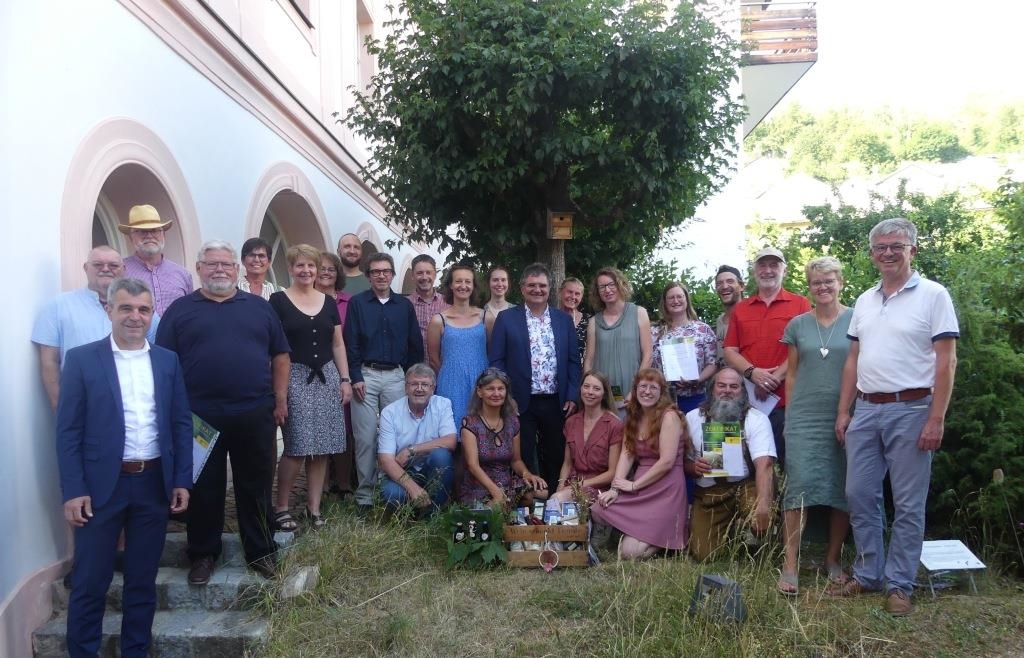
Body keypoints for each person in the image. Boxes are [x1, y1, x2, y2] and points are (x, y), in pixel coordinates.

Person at [830, 218, 959, 617]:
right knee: (859, 494)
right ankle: (869, 574)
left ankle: (900, 584)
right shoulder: (865, 301)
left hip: (913, 408)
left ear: (912, 250)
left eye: (896, 246)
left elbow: (947, 360)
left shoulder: (934, 295)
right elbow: (853, 359)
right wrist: (844, 410)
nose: (888, 252)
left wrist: (936, 418)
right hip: (866, 409)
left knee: (907, 503)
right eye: (881, 246)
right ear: (872, 254)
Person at [57, 278, 191, 657]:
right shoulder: (83, 359)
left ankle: (136, 650)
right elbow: (68, 431)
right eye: (126, 308)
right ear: (109, 311)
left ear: (153, 314)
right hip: (100, 489)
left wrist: (181, 478)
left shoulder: (167, 360)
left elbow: (181, 423)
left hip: (152, 483)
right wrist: (73, 489)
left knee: (142, 580)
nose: (135, 317)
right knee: (89, 582)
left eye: (143, 309)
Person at [156, 240, 289, 584]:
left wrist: (280, 399)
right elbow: (164, 364)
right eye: (211, 264)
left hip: (253, 412)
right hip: (198, 416)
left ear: (237, 270)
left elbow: (280, 356)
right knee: (203, 487)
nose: (219, 270)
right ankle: (202, 554)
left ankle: (260, 551)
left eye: (226, 265)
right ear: (198, 269)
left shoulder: (260, 309)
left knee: (255, 484)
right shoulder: (180, 311)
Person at [777, 257, 853, 596]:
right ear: (809, 286)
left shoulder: (857, 320)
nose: (822, 287)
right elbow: (791, 374)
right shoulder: (797, 325)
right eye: (816, 282)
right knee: (798, 490)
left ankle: (832, 558)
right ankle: (790, 564)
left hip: (845, 415)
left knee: (841, 489)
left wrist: (850, 412)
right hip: (804, 418)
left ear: (840, 282)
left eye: (828, 281)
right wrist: (790, 417)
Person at [269, 245, 352, 531]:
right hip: (294, 376)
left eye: (311, 266)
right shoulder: (277, 300)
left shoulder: (329, 303)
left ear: (317, 270)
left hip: (327, 377)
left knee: (323, 447)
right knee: (297, 446)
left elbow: (337, 343)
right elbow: (272, 346)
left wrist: (345, 379)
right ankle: (281, 507)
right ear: (290, 269)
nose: (306, 271)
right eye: (300, 266)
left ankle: (313, 508)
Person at [489, 263, 581, 493]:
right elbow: (497, 361)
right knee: (523, 454)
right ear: (522, 289)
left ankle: (554, 503)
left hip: (556, 400)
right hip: (520, 401)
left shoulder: (563, 320)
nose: (537, 290)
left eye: (542, 285)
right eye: (532, 285)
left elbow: (573, 361)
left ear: (550, 288)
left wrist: (572, 394)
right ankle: (527, 507)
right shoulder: (506, 318)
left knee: (556, 454)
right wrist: (506, 396)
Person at [344, 252, 424, 513]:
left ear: (392, 274)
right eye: (375, 271)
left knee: (398, 436)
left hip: (396, 377)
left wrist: (412, 378)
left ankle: (394, 489)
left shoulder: (404, 306)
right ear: (368, 276)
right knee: (366, 437)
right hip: (365, 376)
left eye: (385, 271)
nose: (381, 275)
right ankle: (365, 496)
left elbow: (415, 344)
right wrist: (354, 376)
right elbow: (351, 342)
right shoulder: (358, 304)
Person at [32, 246, 158, 411]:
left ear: (123, 269)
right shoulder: (59, 306)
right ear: (86, 268)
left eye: (113, 265)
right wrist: (60, 407)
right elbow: (49, 361)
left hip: (134, 404)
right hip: (81, 403)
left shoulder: (144, 313)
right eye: (98, 264)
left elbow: (156, 357)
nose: (106, 269)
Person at [723, 248, 811, 467]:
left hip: (786, 402)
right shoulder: (741, 309)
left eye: (774, 265)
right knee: (742, 463)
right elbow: (730, 350)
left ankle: (787, 503)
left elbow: (805, 346)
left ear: (785, 270)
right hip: (746, 402)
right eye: (762, 265)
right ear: (754, 271)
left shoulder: (801, 304)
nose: (768, 270)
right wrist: (753, 374)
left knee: (787, 462)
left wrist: (774, 378)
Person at [593, 369, 688, 559]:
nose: (647, 391)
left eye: (653, 387)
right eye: (643, 386)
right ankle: (640, 533)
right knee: (598, 509)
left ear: (661, 392)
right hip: (639, 487)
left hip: (666, 488)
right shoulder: (633, 416)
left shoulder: (669, 416)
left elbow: (667, 462)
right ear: (635, 389)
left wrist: (633, 485)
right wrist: (615, 488)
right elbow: (627, 454)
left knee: (629, 553)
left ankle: (672, 539)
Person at [685, 368, 777, 562]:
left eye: (734, 386)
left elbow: (764, 465)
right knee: (704, 555)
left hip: (746, 486)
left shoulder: (756, 419)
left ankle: (758, 533)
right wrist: (694, 468)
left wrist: (762, 507)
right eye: (722, 385)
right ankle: (730, 533)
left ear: (742, 391)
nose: (727, 390)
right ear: (712, 389)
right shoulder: (693, 418)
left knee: (758, 515)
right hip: (710, 493)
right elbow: (683, 463)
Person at [459, 368, 546, 505]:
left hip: (507, 483)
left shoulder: (512, 422)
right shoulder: (470, 423)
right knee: (498, 506)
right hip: (480, 485)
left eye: (501, 389)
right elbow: (473, 465)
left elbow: (516, 461)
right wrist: (496, 492)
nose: (496, 393)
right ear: (479, 392)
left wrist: (527, 475)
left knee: (542, 492)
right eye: (490, 389)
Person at [377, 364, 457, 510]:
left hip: (430, 470)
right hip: (403, 473)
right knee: (392, 494)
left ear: (433, 389)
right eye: (414, 384)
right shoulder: (390, 412)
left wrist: (412, 450)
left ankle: (433, 514)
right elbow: (386, 460)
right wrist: (413, 488)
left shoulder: (443, 404)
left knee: (441, 456)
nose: (419, 389)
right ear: (406, 387)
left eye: (425, 384)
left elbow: (450, 441)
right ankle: (410, 515)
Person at [427, 263, 488, 429]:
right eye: (458, 281)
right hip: (450, 384)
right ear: (450, 285)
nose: (463, 286)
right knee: (451, 430)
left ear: (474, 286)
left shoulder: (486, 317)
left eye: (468, 281)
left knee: (481, 430)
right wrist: (452, 375)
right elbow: (433, 358)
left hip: (481, 382)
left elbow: (493, 351)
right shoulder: (438, 320)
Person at [550, 370, 623, 503]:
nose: (590, 392)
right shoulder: (571, 422)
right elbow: (567, 463)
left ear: (604, 394)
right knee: (555, 499)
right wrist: (560, 486)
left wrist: (581, 485)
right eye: (586, 386)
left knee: (557, 501)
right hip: (572, 485)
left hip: (600, 487)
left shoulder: (614, 424)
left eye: (596, 388)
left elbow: (612, 473)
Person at [316, 251, 355, 498]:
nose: (326, 272)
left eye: (331, 269)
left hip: (342, 368)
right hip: (312, 370)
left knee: (344, 428)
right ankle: (319, 486)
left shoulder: (349, 302)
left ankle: (344, 484)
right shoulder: (299, 299)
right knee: (316, 429)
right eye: (321, 268)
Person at [584, 267, 653, 404]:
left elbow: (648, 354)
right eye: (602, 287)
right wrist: (589, 389)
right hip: (602, 393)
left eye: (611, 284)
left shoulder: (639, 313)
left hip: (633, 390)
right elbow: (589, 361)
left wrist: (637, 389)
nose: (607, 290)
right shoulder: (593, 322)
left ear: (621, 285)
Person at [651, 282, 718, 413]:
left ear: (686, 299)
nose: (676, 301)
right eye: (671, 298)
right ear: (664, 302)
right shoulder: (654, 331)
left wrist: (697, 380)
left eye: (680, 296)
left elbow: (713, 364)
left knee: (695, 433)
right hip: (662, 399)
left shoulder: (702, 329)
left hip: (696, 398)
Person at [120, 204, 193, 315]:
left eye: (155, 230)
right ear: (130, 237)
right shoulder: (120, 270)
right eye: (142, 231)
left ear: (164, 235)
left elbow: (189, 312)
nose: (149, 236)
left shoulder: (182, 274)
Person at [407, 254, 449, 344]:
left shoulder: (448, 303)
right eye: (419, 273)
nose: (424, 277)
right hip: (414, 358)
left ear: (435, 275)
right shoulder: (404, 305)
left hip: (443, 358)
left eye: (428, 272)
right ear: (412, 276)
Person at [713, 265, 744, 365]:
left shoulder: (752, 316)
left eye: (730, 281)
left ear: (741, 286)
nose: (724, 286)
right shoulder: (719, 320)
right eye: (719, 283)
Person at [558, 277, 590, 364]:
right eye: (569, 292)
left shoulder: (589, 321)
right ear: (560, 292)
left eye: (577, 294)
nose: (573, 297)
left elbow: (590, 357)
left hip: (579, 374)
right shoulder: (549, 318)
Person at [482, 265, 514, 336]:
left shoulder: (516, 311)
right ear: (488, 283)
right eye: (495, 280)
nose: (500, 284)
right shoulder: (480, 311)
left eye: (503, 280)